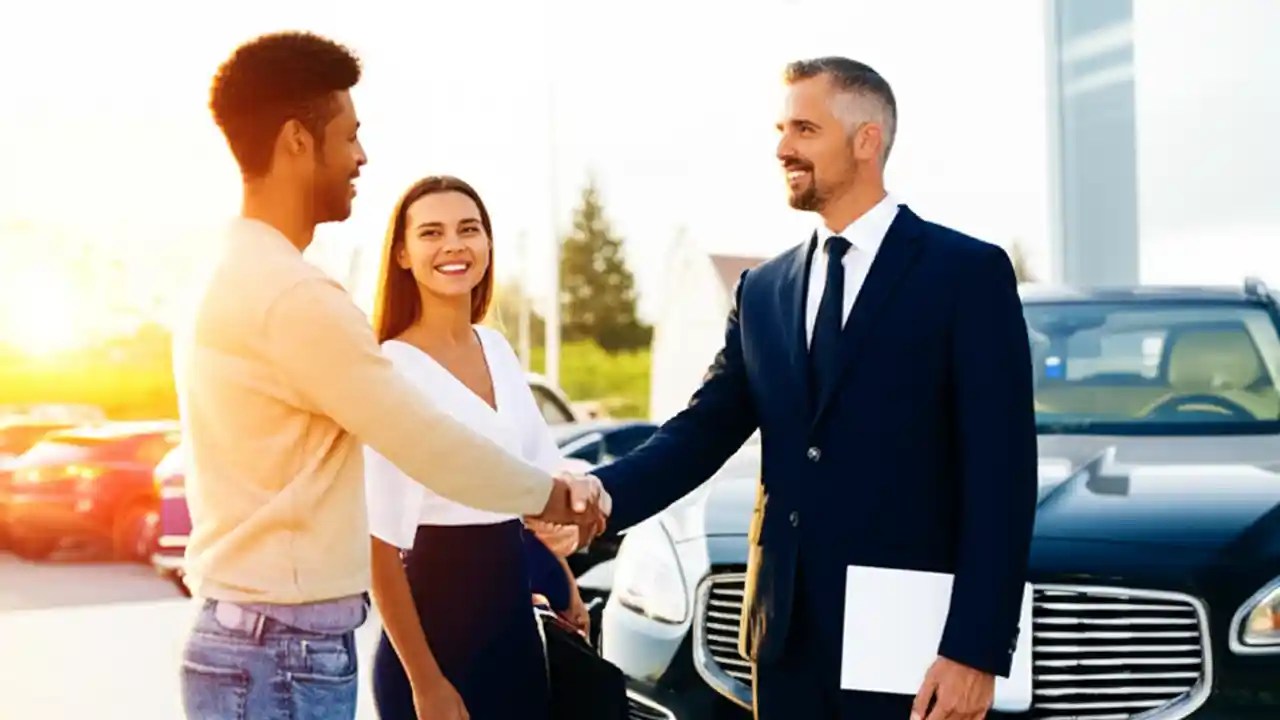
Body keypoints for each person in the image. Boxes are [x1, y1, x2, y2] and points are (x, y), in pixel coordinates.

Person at [579, 57, 1038, 719]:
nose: (782, 148)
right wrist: (600, 496)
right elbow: (701, 431)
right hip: (783, 638)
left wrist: (977, 650)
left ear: (866, 140)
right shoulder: (763, 292)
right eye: (780, 127)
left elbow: (1002, 478)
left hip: (910, 644)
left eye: (803, 129)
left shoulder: (966, 275)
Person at [173, 32, 605, 720]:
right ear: (296, 142)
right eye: (350, 136)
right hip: (278, 651)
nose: (361, 157)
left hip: (262, 642)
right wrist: (553, 497)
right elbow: (425, 441)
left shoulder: (234, 271)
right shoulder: (294, 296)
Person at [363, 175, 592, 720]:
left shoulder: (498, 348)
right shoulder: (387, 369)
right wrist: (426, 683)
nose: (454, 245)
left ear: (488, 243)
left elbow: (538, 485)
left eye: (469, 229)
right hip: (431, 644)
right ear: (402, 252)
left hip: (513, 633)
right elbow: (377, 548)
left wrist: (567, 587)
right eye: (431, 232)